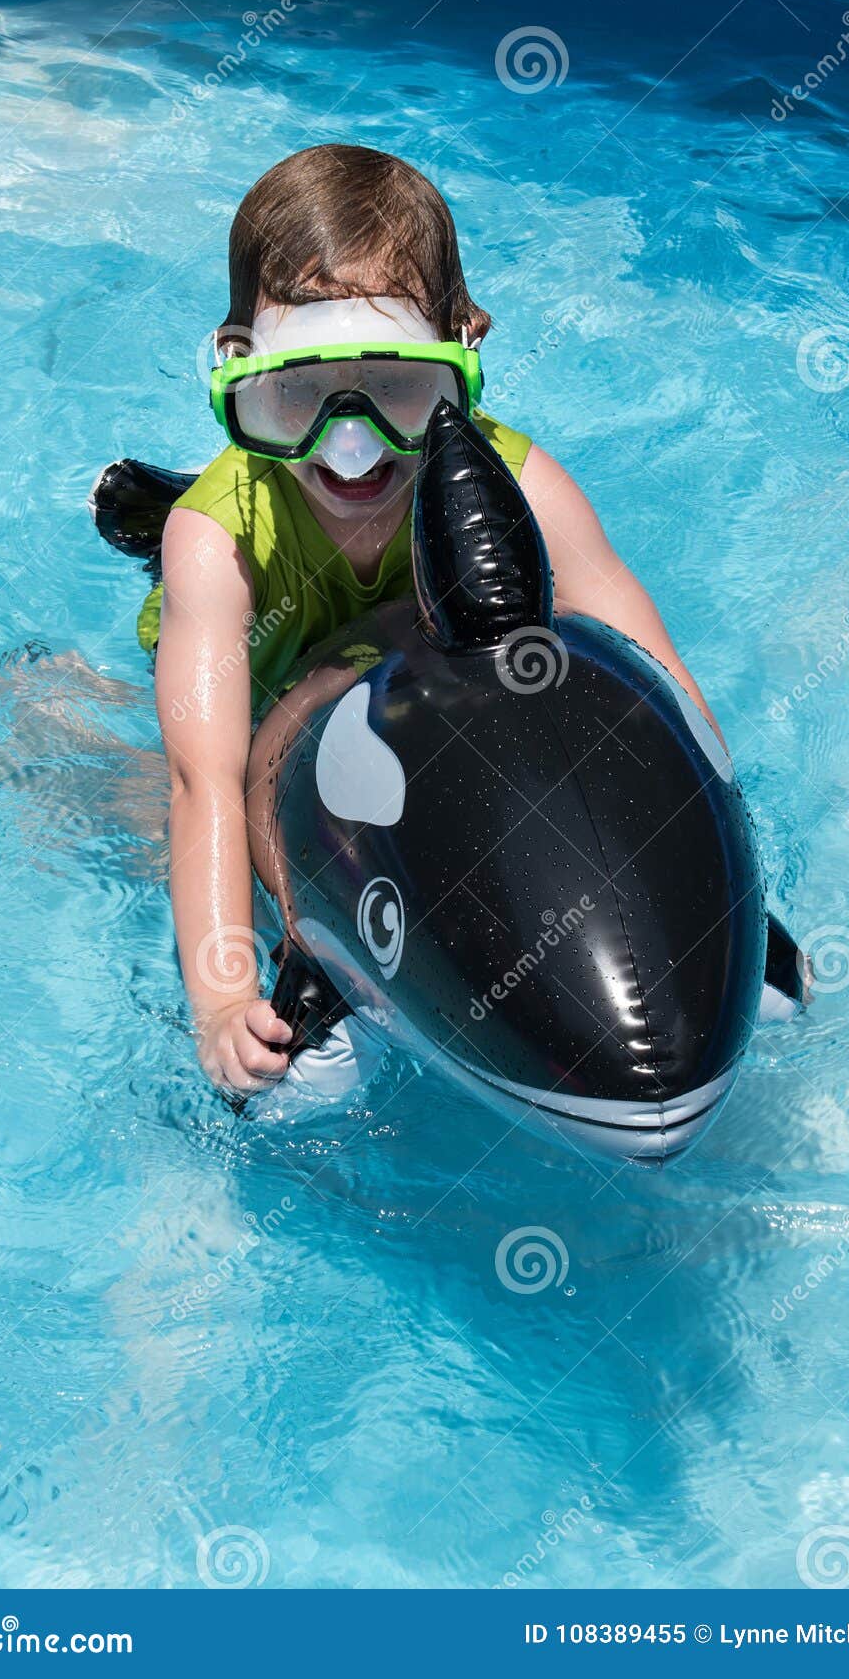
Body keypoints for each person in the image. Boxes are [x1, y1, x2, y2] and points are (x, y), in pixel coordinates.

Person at [152, 144, 723, 1098]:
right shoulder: (214, 543)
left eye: (397, 389)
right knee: (116, 803)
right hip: (280, 693)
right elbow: (196, 781)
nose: (347, 449)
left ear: (465, 342)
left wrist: (718, 897)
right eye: (295, 394)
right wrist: (221, 999)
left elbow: (651, 681)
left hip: (427, 686)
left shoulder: (524, 483)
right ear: (238, 368)